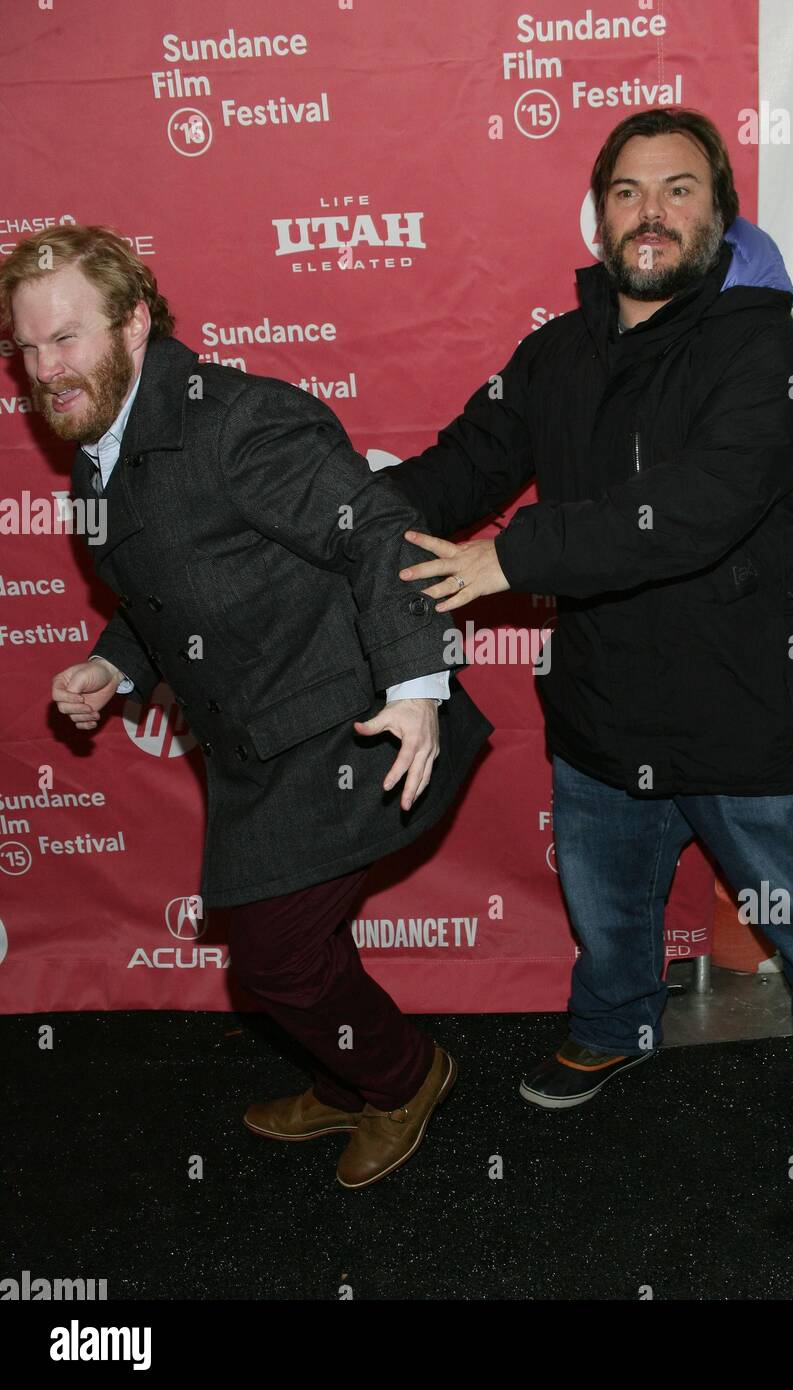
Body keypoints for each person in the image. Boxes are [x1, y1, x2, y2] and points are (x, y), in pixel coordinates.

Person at [389, 108, 793, 1160]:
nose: (652, 213)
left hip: (746, 704)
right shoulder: (556, 351)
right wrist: (354, 515)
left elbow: (699, 503)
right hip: (602, 698)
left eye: (679, 189)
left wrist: (518, 556)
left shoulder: (764, 343)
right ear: (600, 216)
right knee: (609, 904)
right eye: (628, 192)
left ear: (718, 209)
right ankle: (610, 1028)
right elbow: (466, 461)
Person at [1, 225, 493, 1189]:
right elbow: (163, 596)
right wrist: (114, 666)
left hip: (352, 722)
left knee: (273, 959)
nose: (48, 369)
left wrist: (415, 691)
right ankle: (348, 1076)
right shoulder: (98, 459)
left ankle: (402, 1077)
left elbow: (380, 533)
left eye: (68, 338)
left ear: (136, 322)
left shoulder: (235, 422)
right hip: (254, 746)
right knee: (293, 947)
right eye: (28, 348)